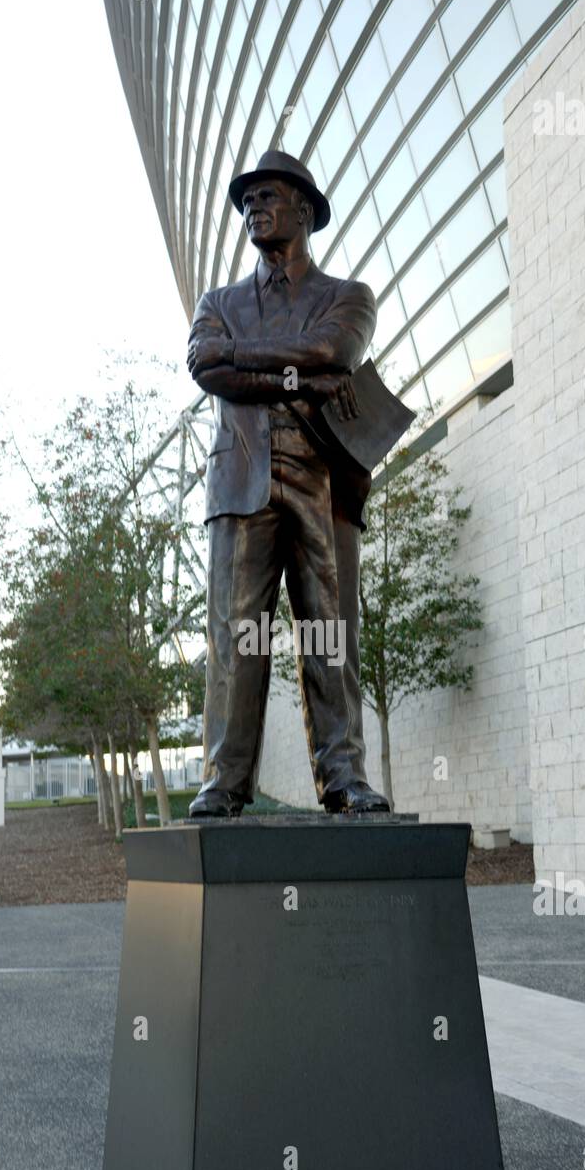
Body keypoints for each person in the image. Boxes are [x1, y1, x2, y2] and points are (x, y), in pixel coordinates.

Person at [186, 149, 391, 818]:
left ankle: (343, 778)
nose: (254, 209)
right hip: (242, 479)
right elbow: (204, 366)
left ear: (304, 210)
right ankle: (225, 781)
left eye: (268, 197)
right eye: (247, 201)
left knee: (330, 634)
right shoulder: (217, 302)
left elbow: (334, 354)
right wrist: (295, 369)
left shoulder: (348, 297)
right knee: (236, 637)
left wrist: (241, 358)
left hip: (322, 477)